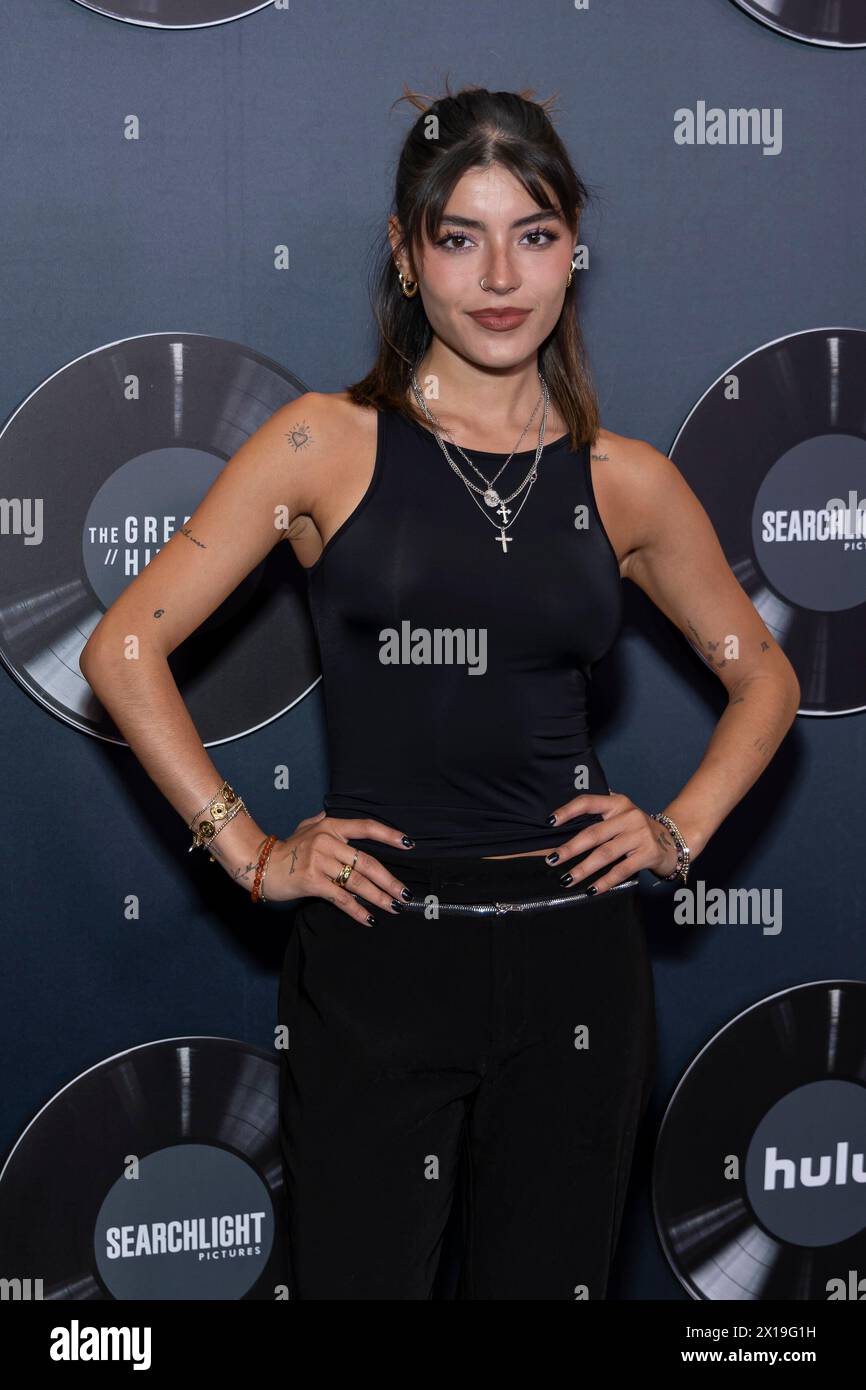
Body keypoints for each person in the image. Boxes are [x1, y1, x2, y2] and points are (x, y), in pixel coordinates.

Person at [80, 83, 801, 1300]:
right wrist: (249, 850)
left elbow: (763, 676)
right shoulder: (325, 443)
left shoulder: (620, 480)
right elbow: (121, 650)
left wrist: (675, 830)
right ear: (409, 261)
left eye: (531, 233)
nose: (499, 274)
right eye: (458, 237)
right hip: (376, 973)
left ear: (574, 250)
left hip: (576, 975)